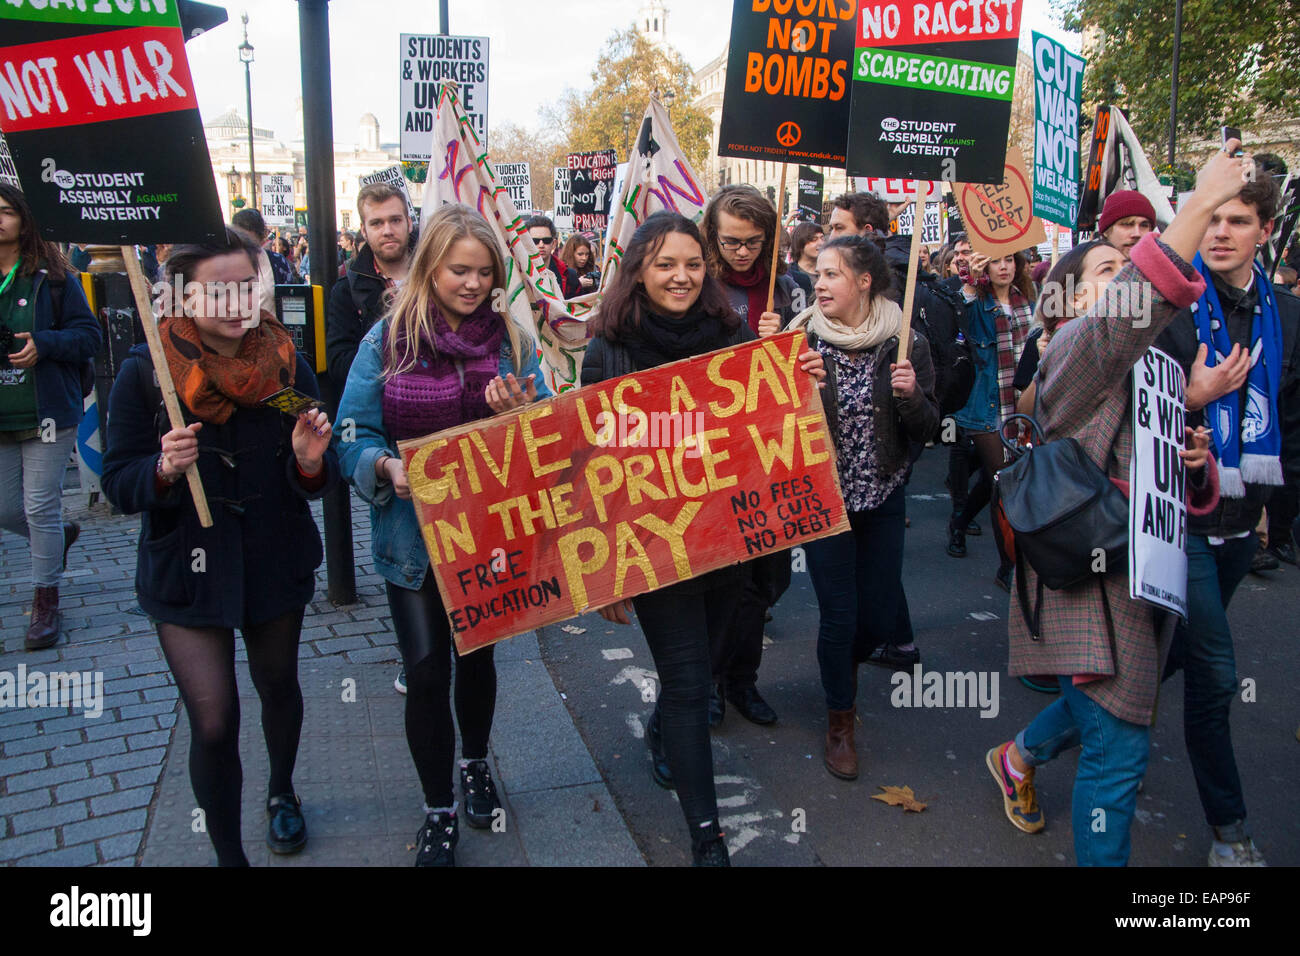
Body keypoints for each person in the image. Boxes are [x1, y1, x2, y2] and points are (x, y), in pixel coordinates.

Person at [983, 141, 1246, 866]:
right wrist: (1195, 209)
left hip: (1142, 576)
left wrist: (1192, 458)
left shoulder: (1152, 367)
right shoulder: (1073, 347)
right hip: (1091, 586)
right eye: (1106, 270)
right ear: (1067, 298)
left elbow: (1161, 478)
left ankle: (1018, 755)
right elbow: (1128, 313)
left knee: (1115, 719)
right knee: (1119, 755)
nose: (1120, 276)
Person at [582, 211, 824, 864]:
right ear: (639, 271)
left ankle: (663, 727)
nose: (681, 276)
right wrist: (606, 573)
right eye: (665, 264)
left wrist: (800, 387)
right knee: (691, 686)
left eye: (692, 263)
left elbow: (762, 422)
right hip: (654, 551)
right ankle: (707, 839)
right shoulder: (608, 350)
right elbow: (593, 464)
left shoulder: (729, 333)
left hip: (727, 543)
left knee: (699, 675)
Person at [101, 227, 339, 866]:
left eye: (247, 285)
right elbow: (118, 481)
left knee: (278, 685)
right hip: (188, 569)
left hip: (273, 556)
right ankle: (228, 854)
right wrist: (161, 471)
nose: (237, 302)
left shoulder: (283, 362)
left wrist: (310, 461)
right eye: (218, 290)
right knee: (212, 722)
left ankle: (282, 791)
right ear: (181, 293)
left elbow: (316, 466)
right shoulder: (148, 373)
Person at [336, 203, 549, 867]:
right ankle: (438, 805)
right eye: (459, 269)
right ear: (431, 268)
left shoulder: (514, 343)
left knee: (477, 660)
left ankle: (476, 761)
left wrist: (524, 416)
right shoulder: (386, 341)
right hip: (412, 544)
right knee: (426, 671)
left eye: (485, 273)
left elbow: (549, 434)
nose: (472, 283)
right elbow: (352, 434)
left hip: (489, 538)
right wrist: (384, 465)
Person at [1152, 163, 1300, 866]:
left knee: (1164, 660)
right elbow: (1125, 407)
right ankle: (1231, 834)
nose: (1220, 231)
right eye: (1211, 217)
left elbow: (1290, 424)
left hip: (1243, 524)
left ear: (1264, 232)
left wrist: (1271, 513)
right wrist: (1191, 399)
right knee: (1214, 672)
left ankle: (1031, 747)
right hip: (1178, 521)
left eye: (1238, 221)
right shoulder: (1168, 304)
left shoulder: (1288, 314)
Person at [775, 235, 938, 780]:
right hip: (825, 503)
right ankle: (839, 720)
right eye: (817, 274)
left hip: (884, 496)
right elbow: (770, 429)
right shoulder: (799, 343)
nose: (818, 284)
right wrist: (794, 386)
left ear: (865, 282)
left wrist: (912, 394)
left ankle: (839, 669)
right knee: (839, 616)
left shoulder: (905, 341)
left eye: (832, 275)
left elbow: (928, 428)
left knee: (878, 615)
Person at [698, 185, 800, 727]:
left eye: (753, 241)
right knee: (722, 580)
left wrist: (785, 343)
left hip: (772, 449)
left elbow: (813, 361)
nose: (742, 252)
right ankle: (711, 682)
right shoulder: (699, 287)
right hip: (716, 452)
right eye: (731, 241)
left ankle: (744, 681)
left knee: (765, 579)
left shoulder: (787, 288)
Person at [0, 184, 100, 650]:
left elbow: (88, 337)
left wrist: (44, 344)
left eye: (5, 212)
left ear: (24, 218)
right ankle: (60, 536)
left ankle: (46, 600)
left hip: (47, 410)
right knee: (7, 509)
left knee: (39, 505)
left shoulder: (53, 276)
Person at [946, 250, 1035, 592]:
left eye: (1010, 260)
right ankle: (1008, 565)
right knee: (1005, 483)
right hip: (986, 405)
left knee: (995, 478)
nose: (1004, 266)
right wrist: (971, 279)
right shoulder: (976, 304)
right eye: (998, 261)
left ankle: (960, 520)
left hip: (1022, 403)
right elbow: (955, 312)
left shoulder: (1029, 300)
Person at [230, 208, 278, 318]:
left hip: (271, 332)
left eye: (251, 242)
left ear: (262, 237)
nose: (247, 247)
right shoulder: (225, 263)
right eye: (241, 240)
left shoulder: (277, 262)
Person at [525, 215, 581, 299]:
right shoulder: (519, 275)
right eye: (535, 241)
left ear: (554, 243)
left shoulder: (570, 276)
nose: (541, 245)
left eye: (546, 240)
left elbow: (578, 308)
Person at [1098, 190, 1156, 261]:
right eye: (1127, 224)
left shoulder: (1163, 269)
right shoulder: (1087, 267)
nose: (1137, 234)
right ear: (1106, 231)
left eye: (1144, 225)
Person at [787, 222, 823, 296]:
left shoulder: (831, 270)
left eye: (822, 238)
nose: (821, 243)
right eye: (814, 239)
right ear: (800, 243)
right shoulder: (788, 274)